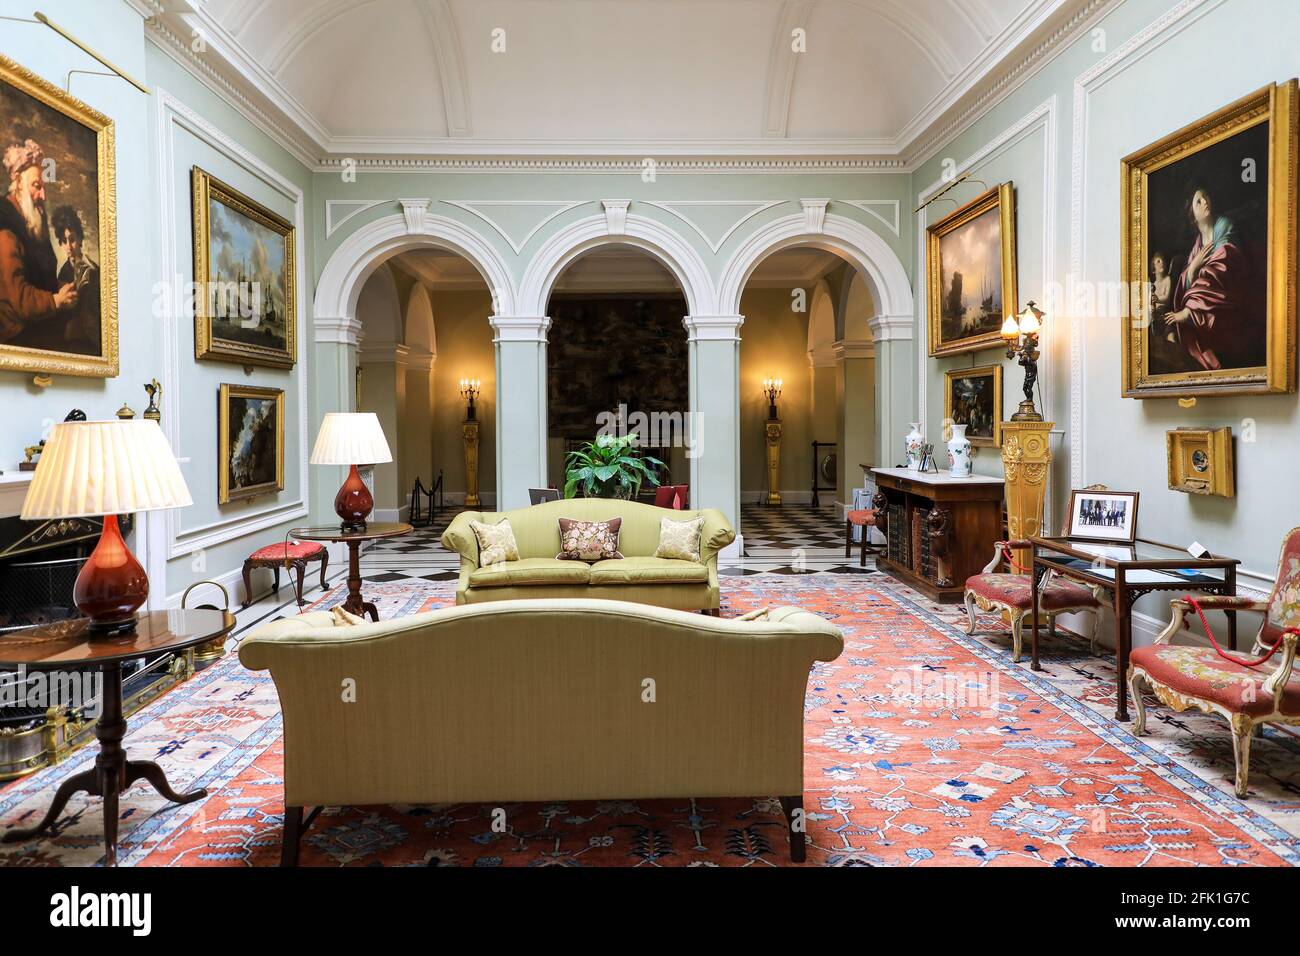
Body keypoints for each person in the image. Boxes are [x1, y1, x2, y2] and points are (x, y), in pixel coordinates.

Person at [0, 139, 79, 348]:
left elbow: (39, 278)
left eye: (44, 188)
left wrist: (61, 288)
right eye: (37, 186)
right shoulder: (6, 229)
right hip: (17, 337)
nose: (43, 196)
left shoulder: (30, 221)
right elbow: (18, 297)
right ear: (18, 182)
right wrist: (56, 301)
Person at [1164, 186, 1252, 372]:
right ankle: (1183, 325)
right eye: (1199, 201)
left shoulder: (1224, 225)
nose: (1205, 202)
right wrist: (1194, 267)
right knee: (1196, 281)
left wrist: (1198, 273)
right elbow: (1186, 285)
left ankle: (1190, 314)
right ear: (1192, 215)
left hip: (1232, 292)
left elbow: (1225, 265)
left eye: (1206, 197)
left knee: (1210, 275)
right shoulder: (1198, 244)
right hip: (1211, 304)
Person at [51, 204, 100, 354]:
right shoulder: (62, 274)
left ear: (79, 239)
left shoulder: (94, 271)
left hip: (92, 340)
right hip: (72, 341)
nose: (69, 247)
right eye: (64, 241)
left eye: (71, 239)